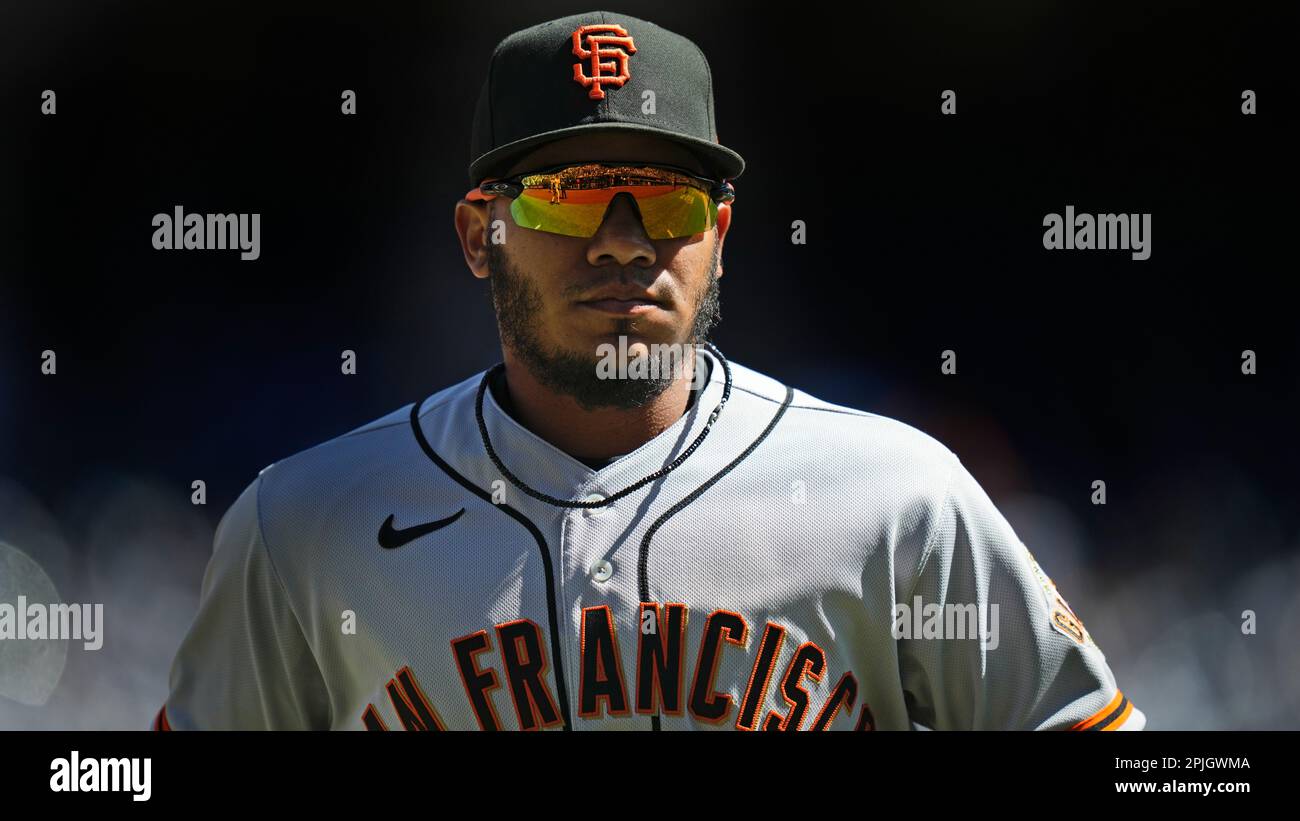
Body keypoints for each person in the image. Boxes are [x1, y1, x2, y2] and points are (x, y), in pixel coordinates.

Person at [155, 10, 1144, 731]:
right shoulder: (303, 521)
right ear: (477, 232)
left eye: (666, 202)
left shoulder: (894, 495)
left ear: (718, 233)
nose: (624, 243)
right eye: (573, 196)